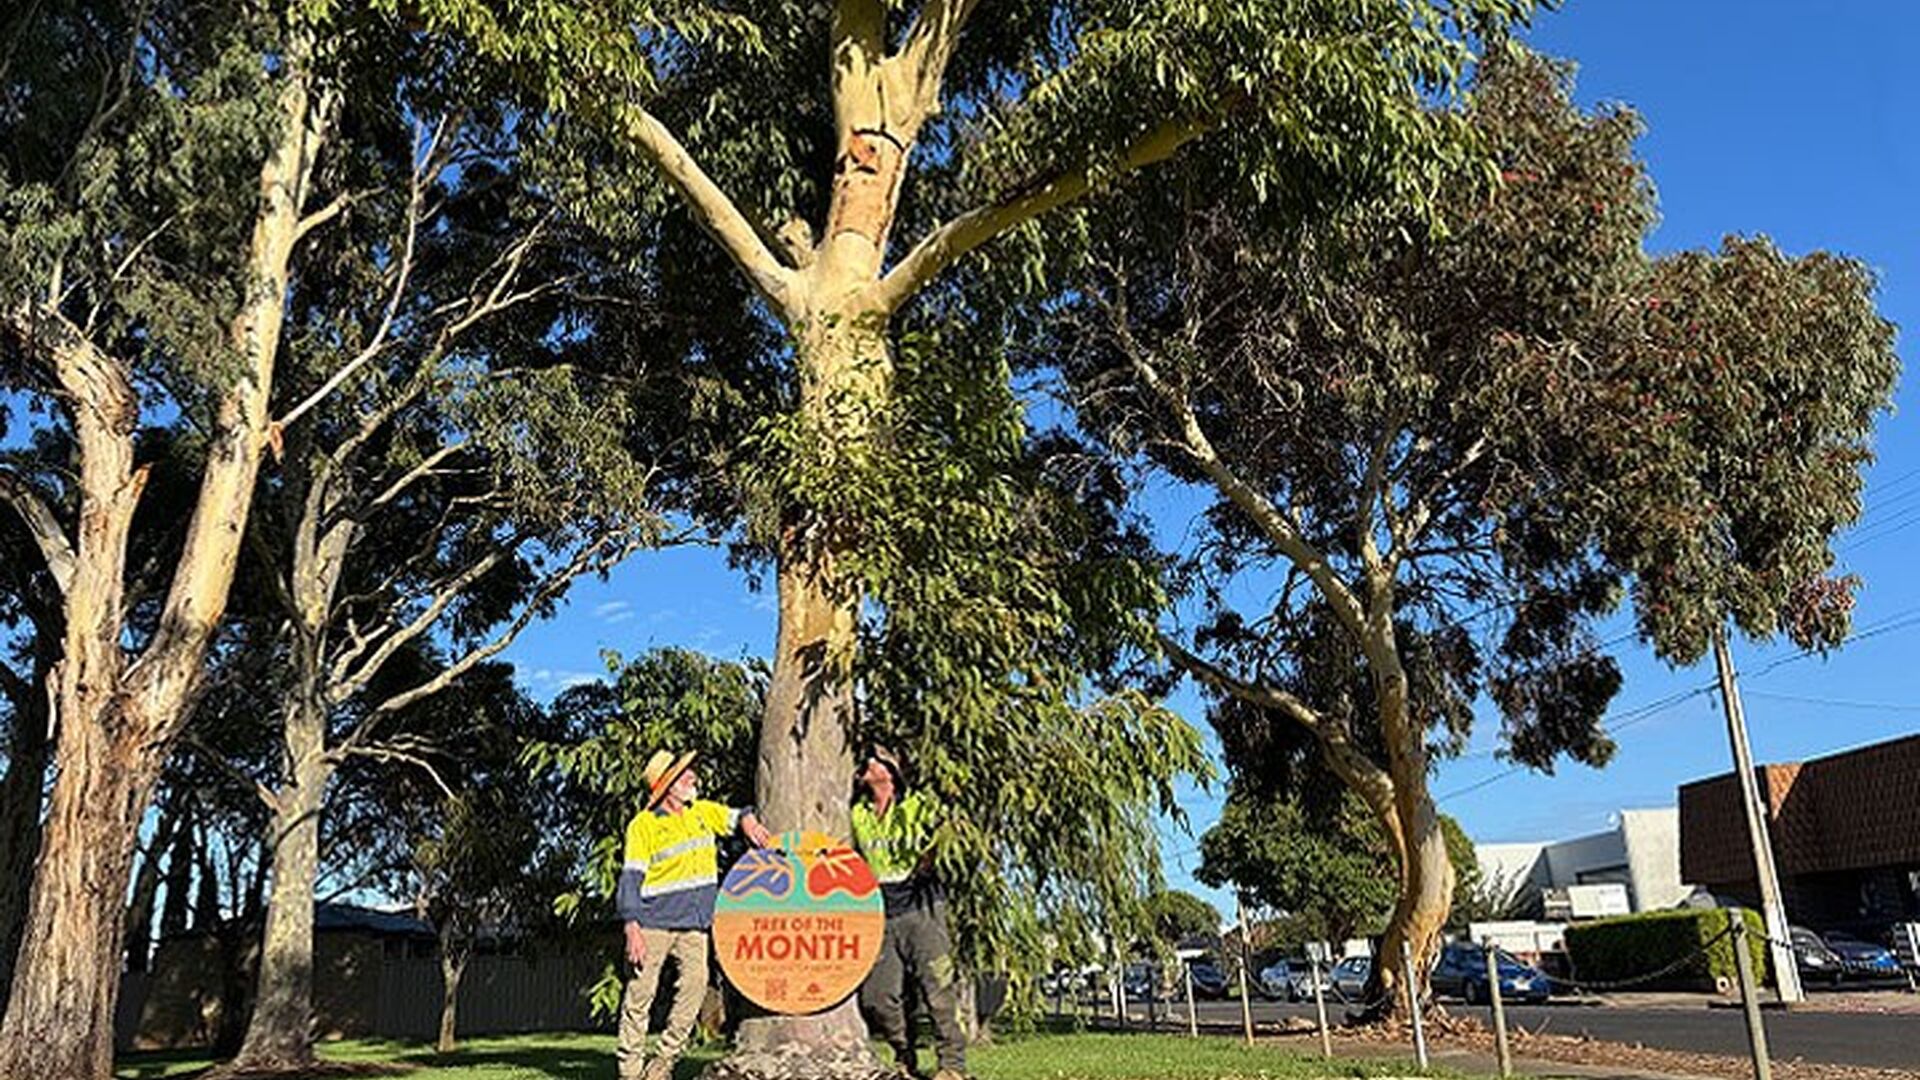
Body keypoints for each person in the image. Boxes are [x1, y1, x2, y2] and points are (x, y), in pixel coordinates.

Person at [617, 749, 773, 1080]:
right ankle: (630, 1074)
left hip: (695, 927)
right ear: (667, 785)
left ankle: (662, 1064)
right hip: (652, 925)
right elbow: (631, 878)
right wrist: (632, 927)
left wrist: (748, 821)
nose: (693, 777)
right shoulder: (643, 825)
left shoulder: (702, 812)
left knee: (695, 989)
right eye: (685, 774)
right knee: (638, 999)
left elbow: (736, 815)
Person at [852, 744, 966, 1080]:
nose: (868, 764)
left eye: (875, 760)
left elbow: (947, 835)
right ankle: (905, 1054)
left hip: (923, 908)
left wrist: (930, 859)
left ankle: (952, 1067)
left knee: (939, 990)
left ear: (892, 770)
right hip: (880, 914)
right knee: (878, 996)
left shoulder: (919, 805)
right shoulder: (857, 813)